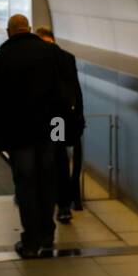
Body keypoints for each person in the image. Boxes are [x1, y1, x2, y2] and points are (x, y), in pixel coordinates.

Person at [0, 13, 66, 257]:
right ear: (29, 29)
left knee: (26, 184)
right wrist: (61, 131)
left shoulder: (1, 59)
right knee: (47, 181)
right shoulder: (51, 54)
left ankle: (30, 242)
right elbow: (63, 94)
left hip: (19, 135)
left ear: (9, 32)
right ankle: (48, 233)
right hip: (49, 132)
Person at [36, 25, 85, 224]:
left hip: (49, 119)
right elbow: (76, 90)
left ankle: (56, 203)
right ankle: (63, 205)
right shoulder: (67, 57)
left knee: (51, 158)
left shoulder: (40, 60)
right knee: (59, 158)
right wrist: (78, 117)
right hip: (59, 119)